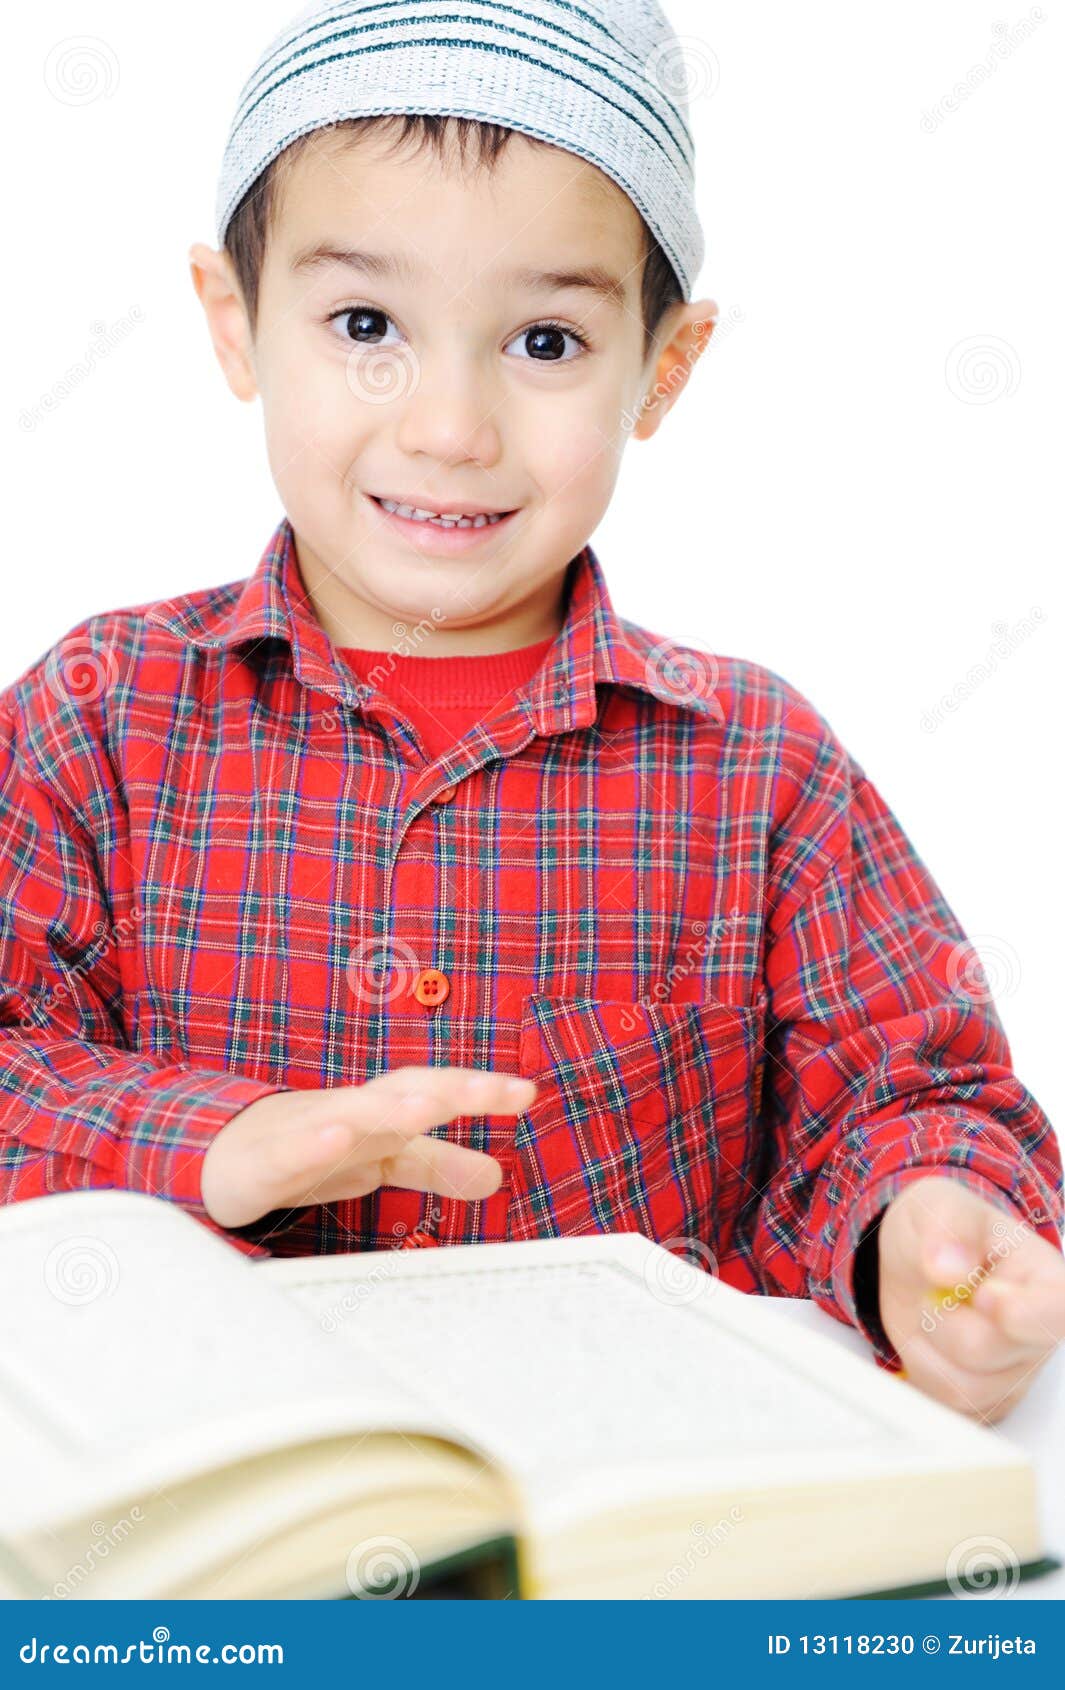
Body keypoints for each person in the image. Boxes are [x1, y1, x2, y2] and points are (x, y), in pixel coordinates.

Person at [2, 0, 1062, 1424]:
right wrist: (215, 1139)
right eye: (366, 325)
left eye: (546, 341)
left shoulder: (758, 767)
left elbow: (913, 1092)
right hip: (212, 1487)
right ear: (234, 322)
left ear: (662, 367)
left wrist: (927, 1229)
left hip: (646, 1493)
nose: (450, 428)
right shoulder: (96, 718)